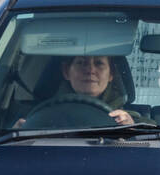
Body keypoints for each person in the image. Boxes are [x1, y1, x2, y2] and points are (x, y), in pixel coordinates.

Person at [15, 54, 146, 128]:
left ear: (111, 74)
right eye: (81, 63)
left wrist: (132, 129)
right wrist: (15, 134)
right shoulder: (36, 119)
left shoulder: (130, 119)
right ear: (66, 72)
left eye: (99, 63)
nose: (90, 70)